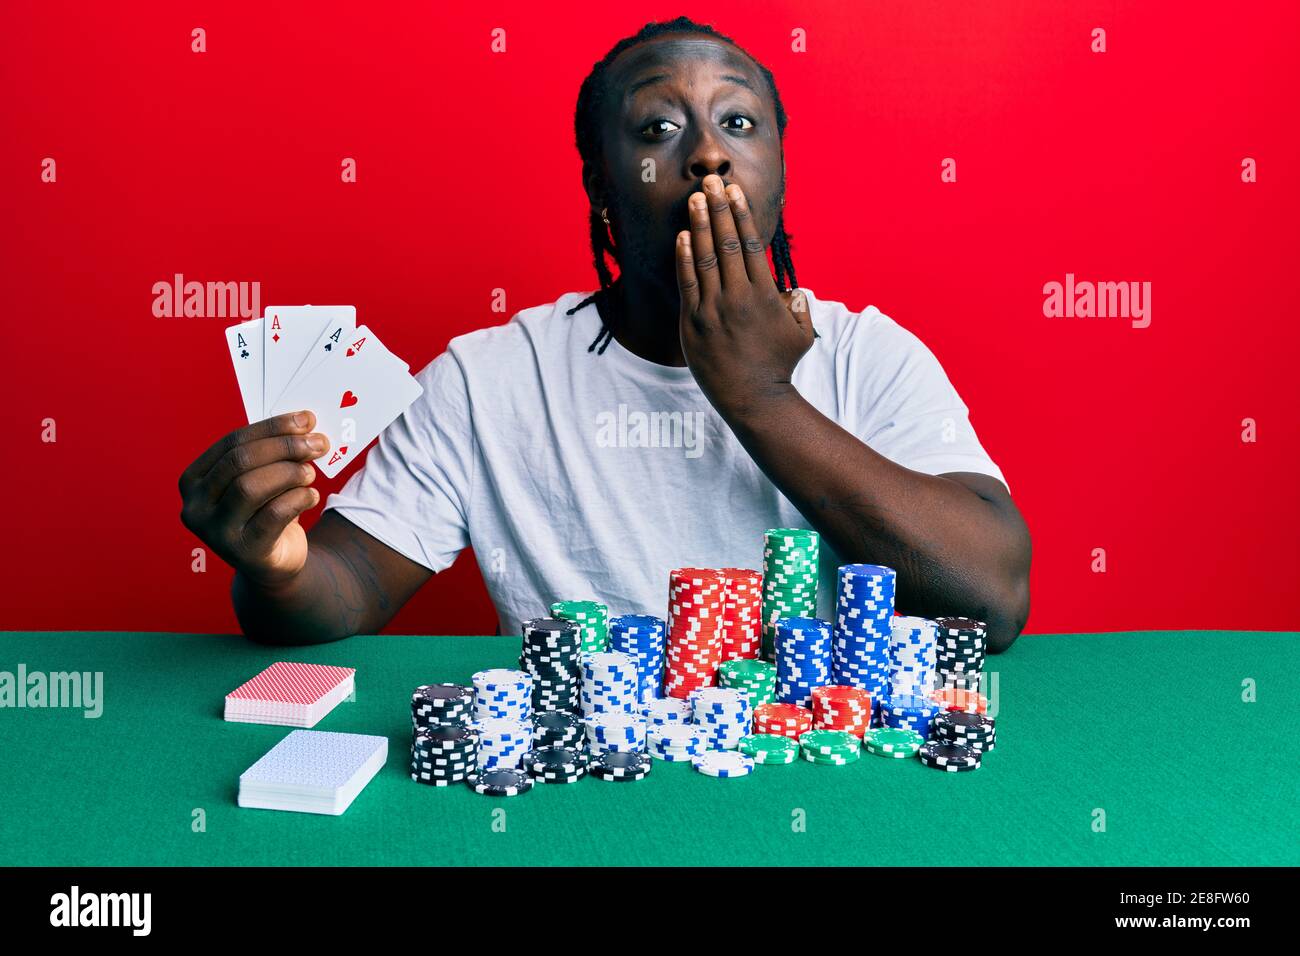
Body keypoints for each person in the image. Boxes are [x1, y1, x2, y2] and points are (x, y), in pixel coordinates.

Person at [178, 17, 1031, 653]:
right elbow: (350, 584)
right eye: (658, 129)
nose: (707, 155)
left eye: (740, 123)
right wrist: (277, 569)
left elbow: (987, 599)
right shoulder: (490, 379)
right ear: (601, 181)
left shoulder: (868, 357)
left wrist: (760, 395)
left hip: (806, 780)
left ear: (778, 165)